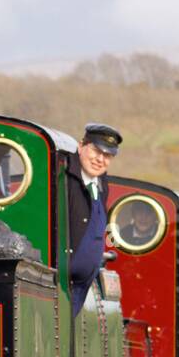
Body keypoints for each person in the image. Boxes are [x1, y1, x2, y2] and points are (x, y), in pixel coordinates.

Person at [65, 122, 122, 315]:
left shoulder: (102, 184)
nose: (100, 159)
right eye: (96, 151)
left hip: (80, 288)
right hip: (61, 285)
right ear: (81, 146)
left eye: (107, 156)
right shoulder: (64, 179)